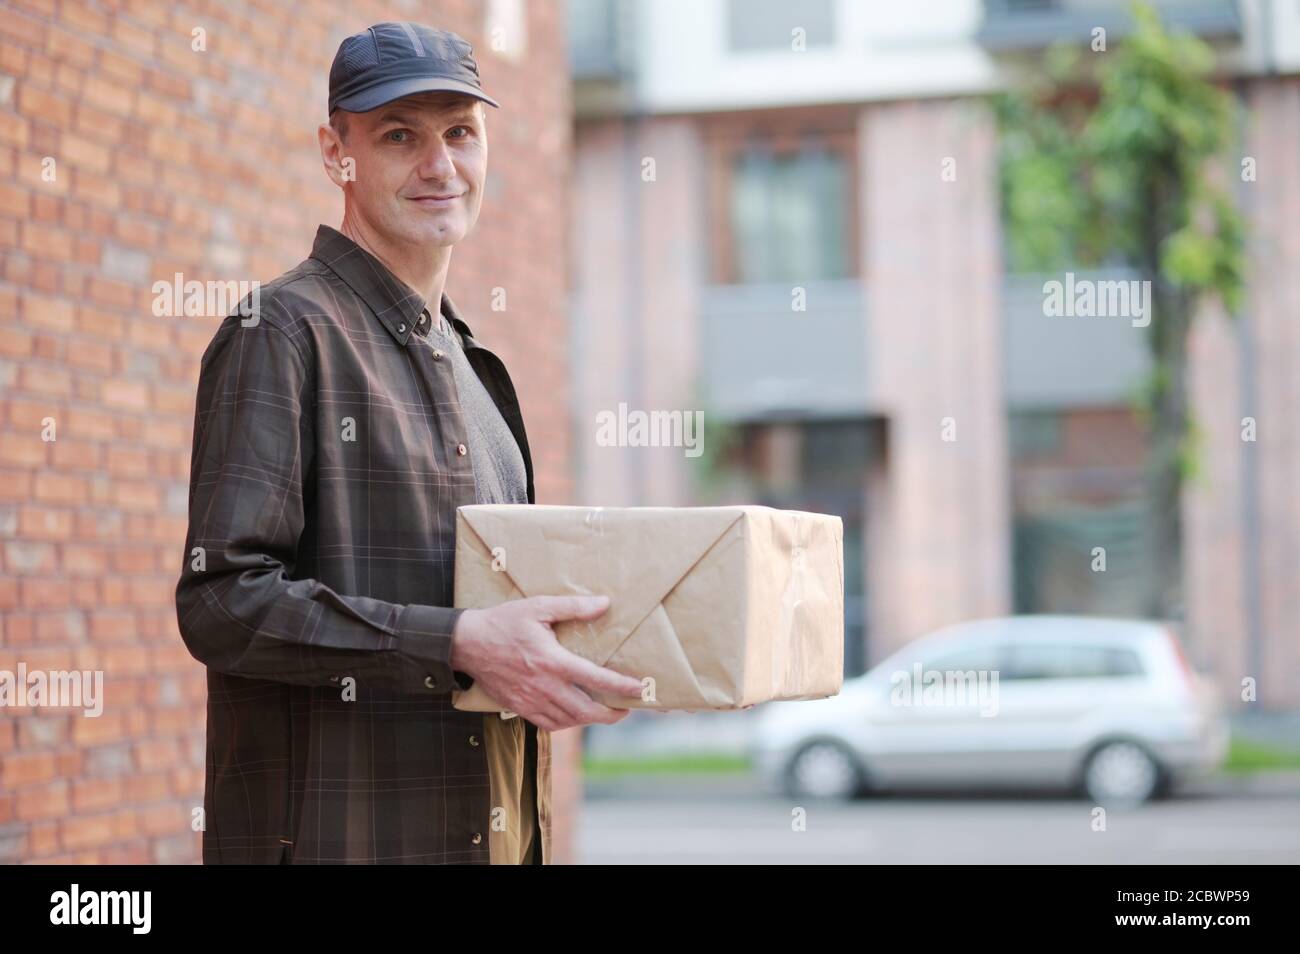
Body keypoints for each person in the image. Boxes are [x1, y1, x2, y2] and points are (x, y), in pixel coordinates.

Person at [175, 21, 642, 865]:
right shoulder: (281, 332)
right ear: (335, 152)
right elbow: (221, 603)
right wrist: (456, 644)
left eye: (460, 132)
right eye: (400, 136)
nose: (440, 167)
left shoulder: (478, 368)